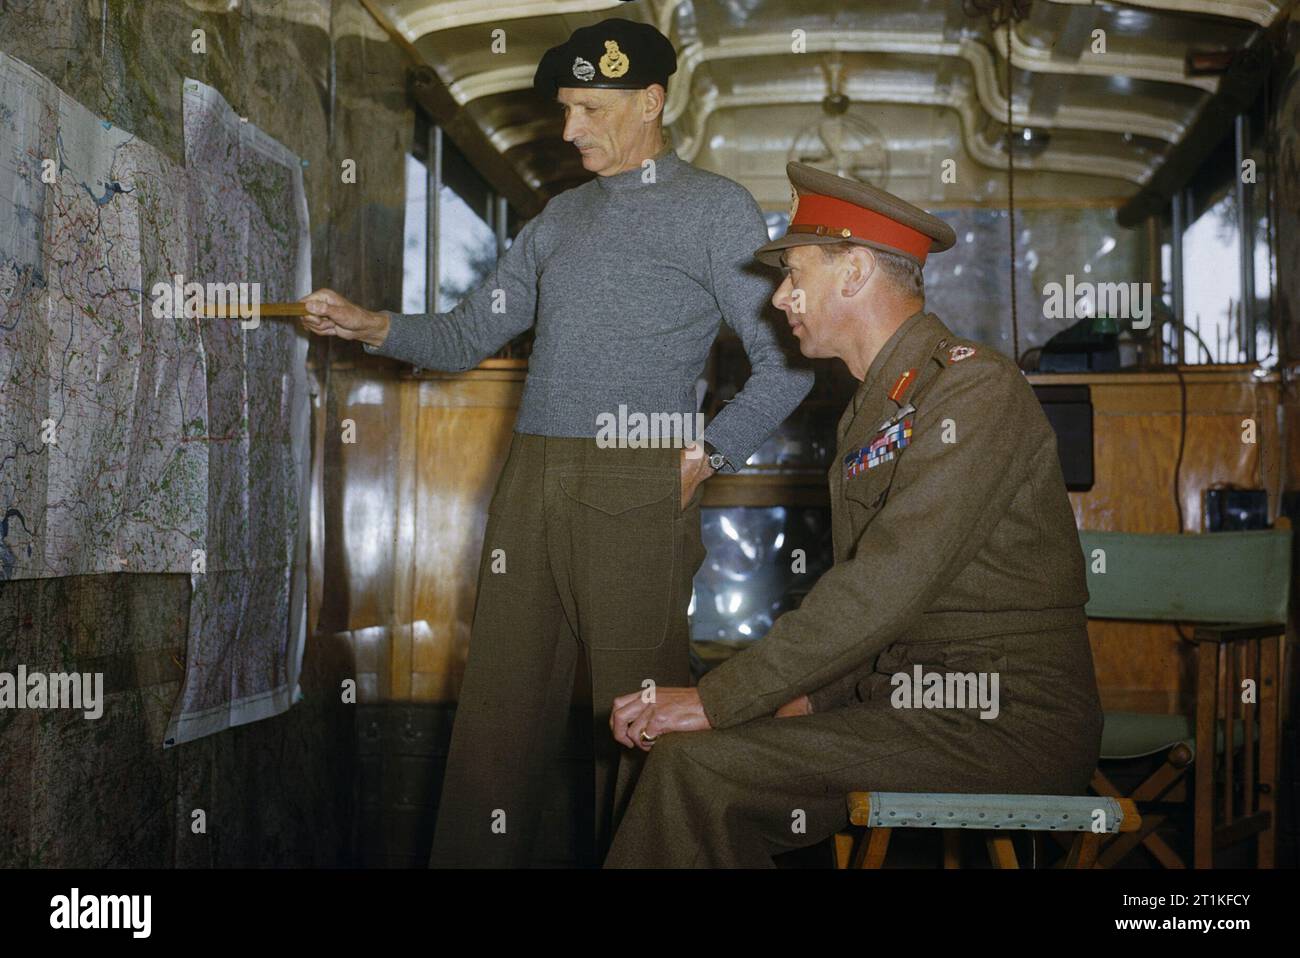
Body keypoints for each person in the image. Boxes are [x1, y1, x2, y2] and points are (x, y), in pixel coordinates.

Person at [298, 19, 813, 867]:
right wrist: (371, 325)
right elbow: (466, 336)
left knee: (641, 723)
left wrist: (704, 457)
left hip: (637, 482)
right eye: (565, 108)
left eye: (588, 109)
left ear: (650, 102)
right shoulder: (559, 218)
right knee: (495, 720)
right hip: (530, 478)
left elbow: (786, 365)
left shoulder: (715, 209)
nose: (569, 129)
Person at [605, 162, 1104, 868]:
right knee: (683, 755)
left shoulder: (974, 392)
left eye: (793, 274)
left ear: (855, 272)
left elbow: (886, 585)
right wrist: (806, 698)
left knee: (698, 766)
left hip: (1000, 719)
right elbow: (875, 604)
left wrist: (719, 699)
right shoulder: (877, 408)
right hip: (904, 704)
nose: (780, 297)